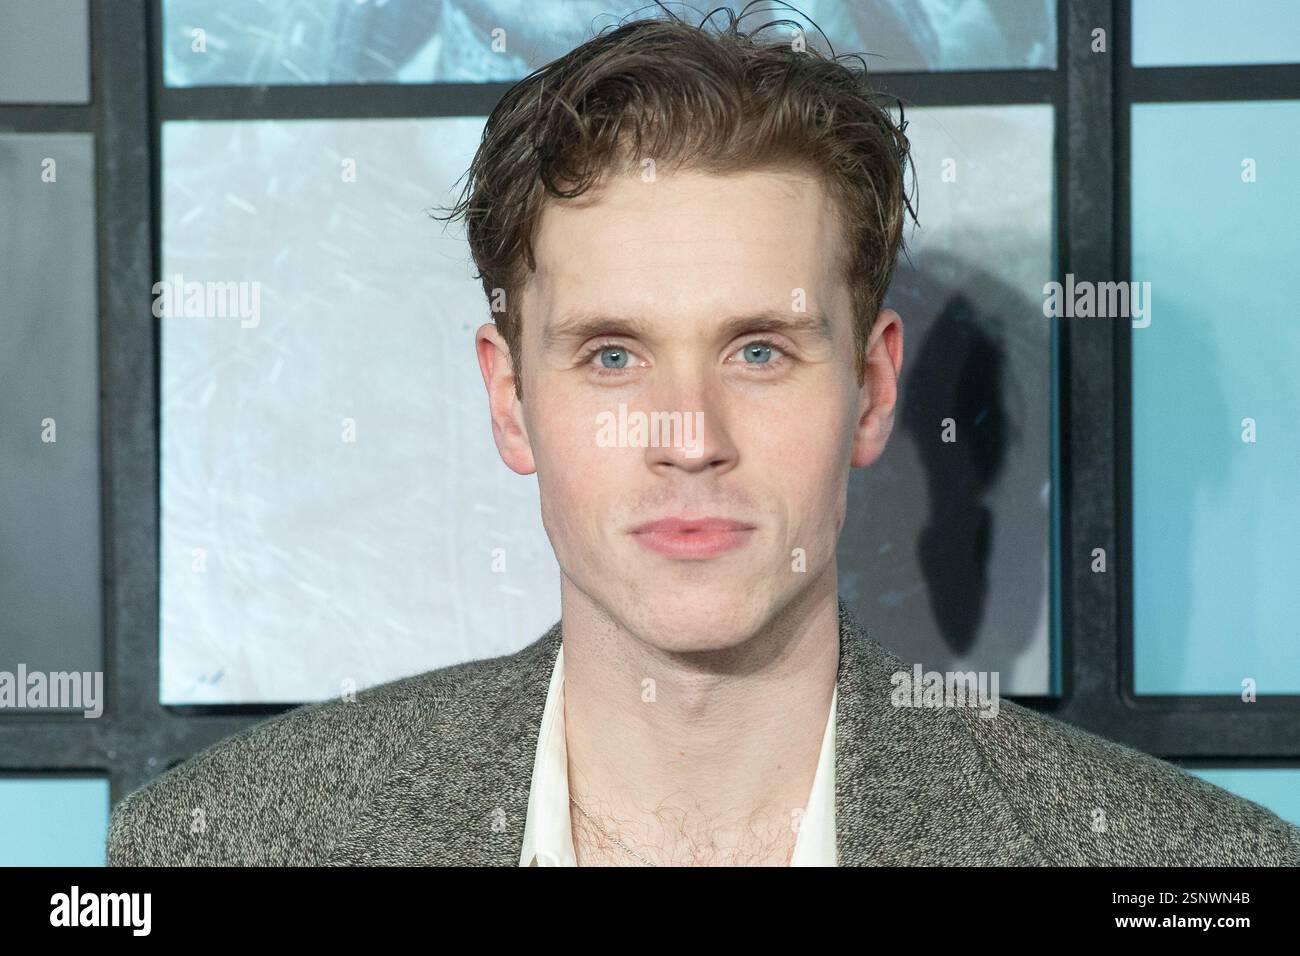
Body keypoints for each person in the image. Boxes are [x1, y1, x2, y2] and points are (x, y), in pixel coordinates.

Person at [108, 10, 1300, 867]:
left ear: (875, 389)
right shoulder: (220, 849)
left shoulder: (1183, 870)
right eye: (613, 353)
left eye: (759, 351)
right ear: (510, 400)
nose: (689, 438)